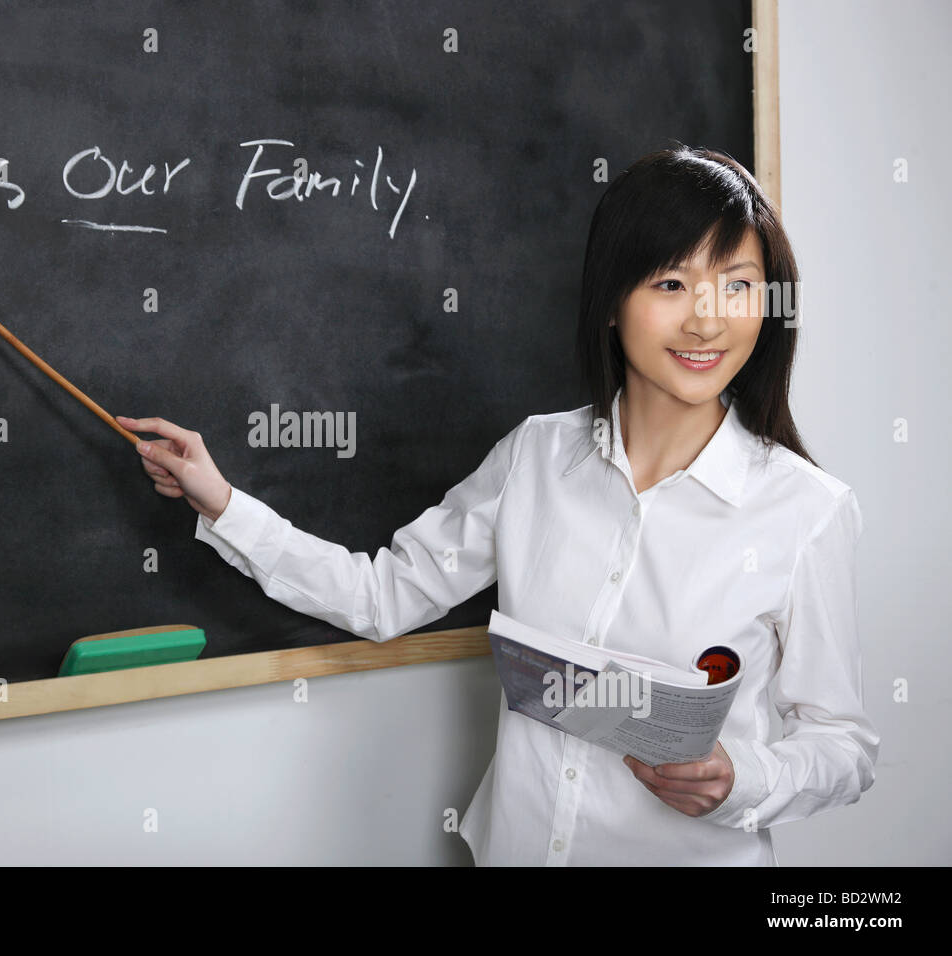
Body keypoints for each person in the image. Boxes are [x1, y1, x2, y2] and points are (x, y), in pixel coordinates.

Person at [115, 146, 879, 866]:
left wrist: (738, 777)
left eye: (737, 285)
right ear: (612, 301)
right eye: (671, 284)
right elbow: (383, 595)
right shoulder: (536, 459)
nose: (707, 320)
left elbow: (842, 745)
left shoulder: (804, 511)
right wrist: (222, 504)